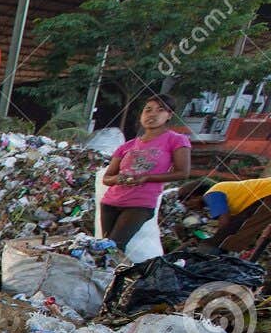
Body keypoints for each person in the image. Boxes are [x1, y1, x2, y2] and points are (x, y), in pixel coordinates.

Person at [99, 94, 192, 251]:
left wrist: (147, 177)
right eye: (148, 110)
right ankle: (106, 274)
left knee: (113, 247)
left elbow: (183, 172)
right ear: (142, 115)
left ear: (169, 115)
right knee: (104, 246)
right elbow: (107, 178)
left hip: (140, 204)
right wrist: (119, 178)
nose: (152, 114)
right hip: (110, 202)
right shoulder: (127, 146)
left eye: (160, 110)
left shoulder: (176, 140)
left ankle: (114, 274)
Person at [181, 176, 271, 256]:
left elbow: (224, 222)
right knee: (234, 231)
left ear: (195, 197)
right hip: (266, 192)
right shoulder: (219, 193)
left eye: (187, 202)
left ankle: (209, 257)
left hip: (267, 193)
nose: (188, 206)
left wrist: (213, 240)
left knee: (229, 235)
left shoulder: (211, 194)